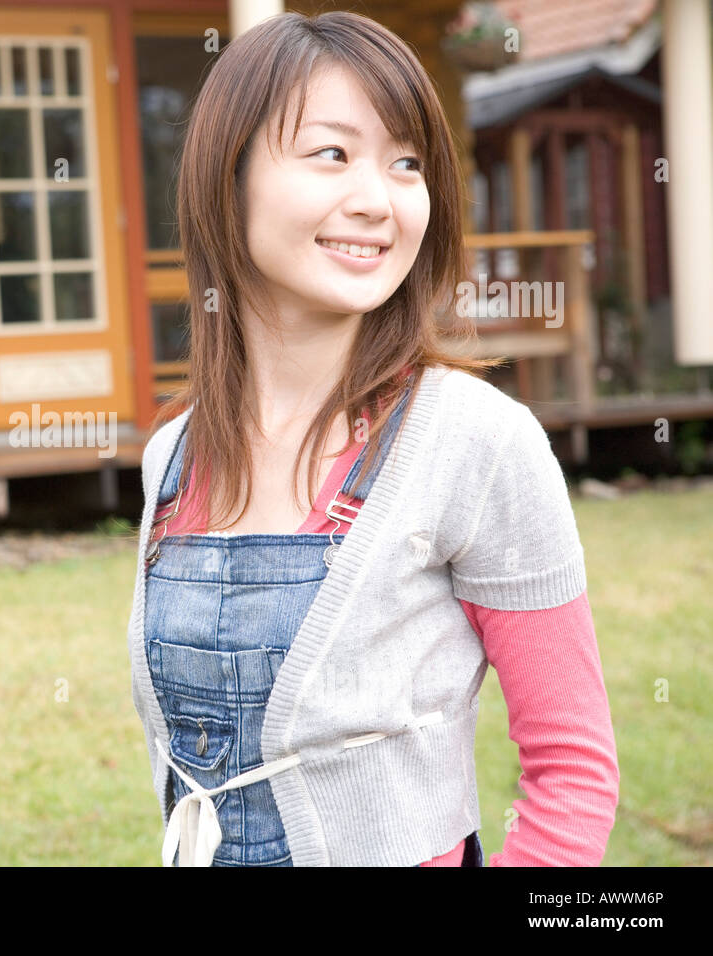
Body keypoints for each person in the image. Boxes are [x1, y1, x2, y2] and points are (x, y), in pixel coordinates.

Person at [126, 10, 619, 867]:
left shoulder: (476, 440)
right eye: (332, 153)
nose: (377, 199)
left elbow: (573, 771)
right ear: (226, 176)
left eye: (406, 163)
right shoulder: (172, 456)